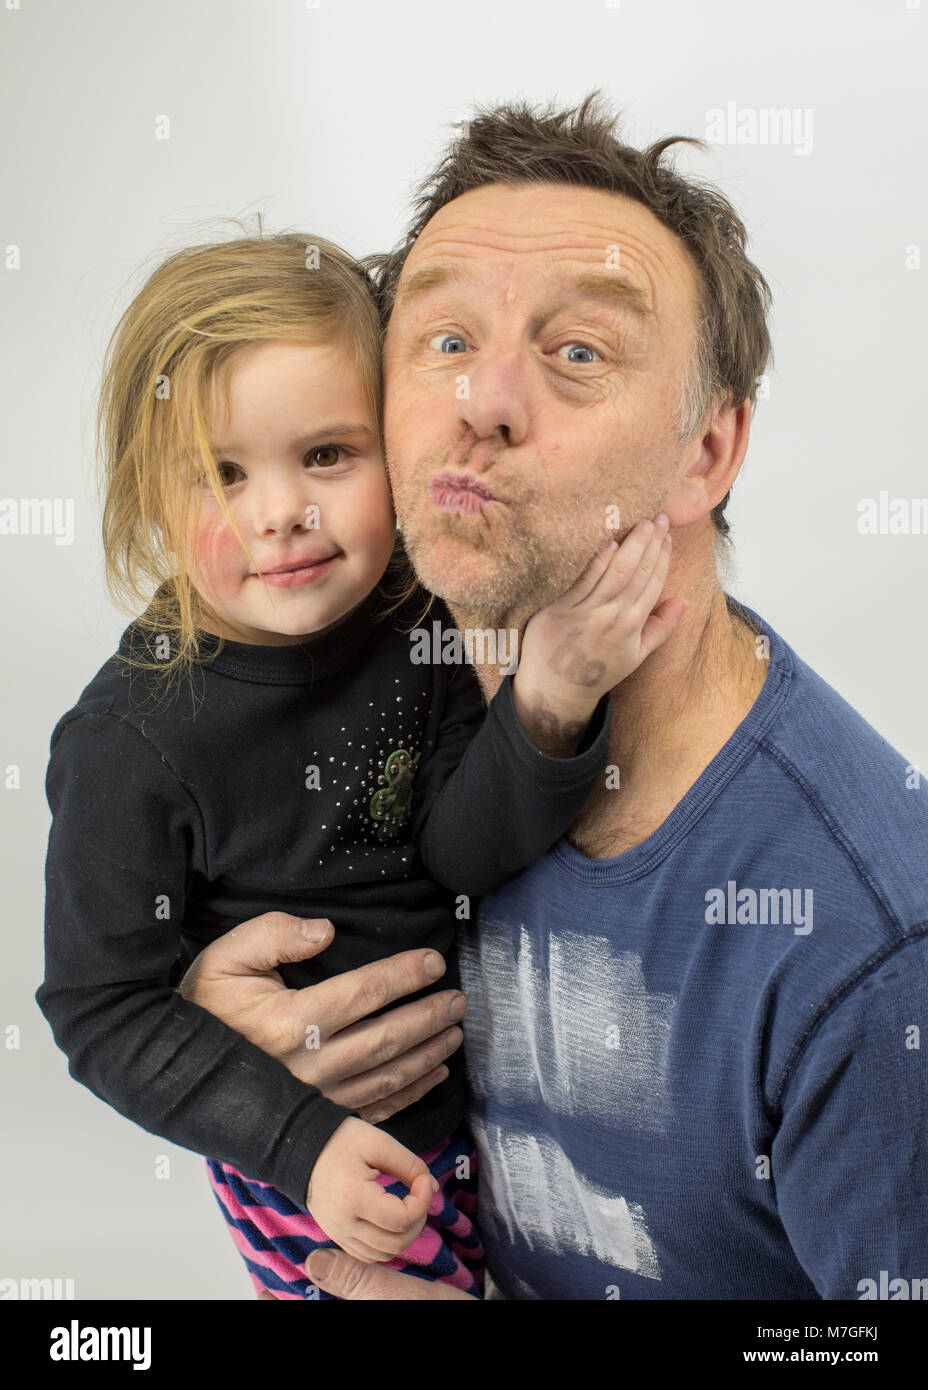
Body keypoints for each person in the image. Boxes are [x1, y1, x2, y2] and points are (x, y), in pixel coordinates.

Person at [186, 92, 928, 1301]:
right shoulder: (341, 700)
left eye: (578, 351)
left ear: (709, 452)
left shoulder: (873, 952)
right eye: (441, 342)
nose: (482, 398)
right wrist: (205, 1037)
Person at [36, 228, 686, 1299]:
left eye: (327, 455)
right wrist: (299, 1142)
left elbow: (460, 846)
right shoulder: (131, 737)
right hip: (308, 1161)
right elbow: (101, 1006)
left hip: (485, 1117)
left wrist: (553, 699)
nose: (280, 511)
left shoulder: (414, 621)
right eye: (221, 475)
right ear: (149, 495)